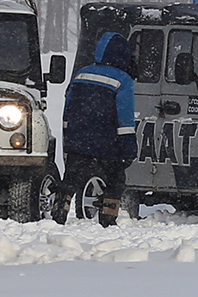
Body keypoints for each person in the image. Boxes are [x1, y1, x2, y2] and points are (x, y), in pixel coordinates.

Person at [55, 31, 138, 227]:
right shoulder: (123, 79)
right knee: (115, 179)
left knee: (71, 178)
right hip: (108, 141)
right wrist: (129, 148)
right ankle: (108, 219)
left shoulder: (81, 73)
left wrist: (69, 137)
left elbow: (68, 108)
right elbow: (124, 116)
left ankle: (59, 210)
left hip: (79, 139)